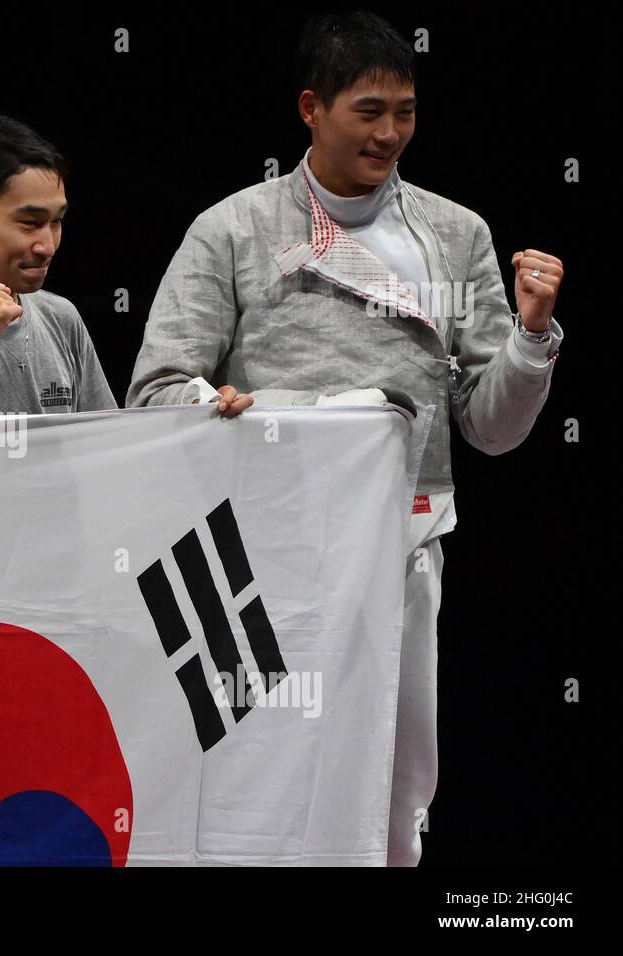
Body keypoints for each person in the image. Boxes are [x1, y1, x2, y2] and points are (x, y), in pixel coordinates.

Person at [127, 11, 564, 866]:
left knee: (397, 783)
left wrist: (532, 338)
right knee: (257, 762)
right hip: (261, 544)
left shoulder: (454, 235)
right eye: (369, 111)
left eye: (405, 111)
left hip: (402, 536)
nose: (390, 133)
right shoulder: (233, 229)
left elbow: (489, 428)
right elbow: (154, 389)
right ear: (310, 108)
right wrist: (212, 404)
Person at [0, 116, 253, 419]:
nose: (46, 245)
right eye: (29, 222)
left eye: (56, 221)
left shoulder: (62, 320)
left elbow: (108, 455)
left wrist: (202, 416)